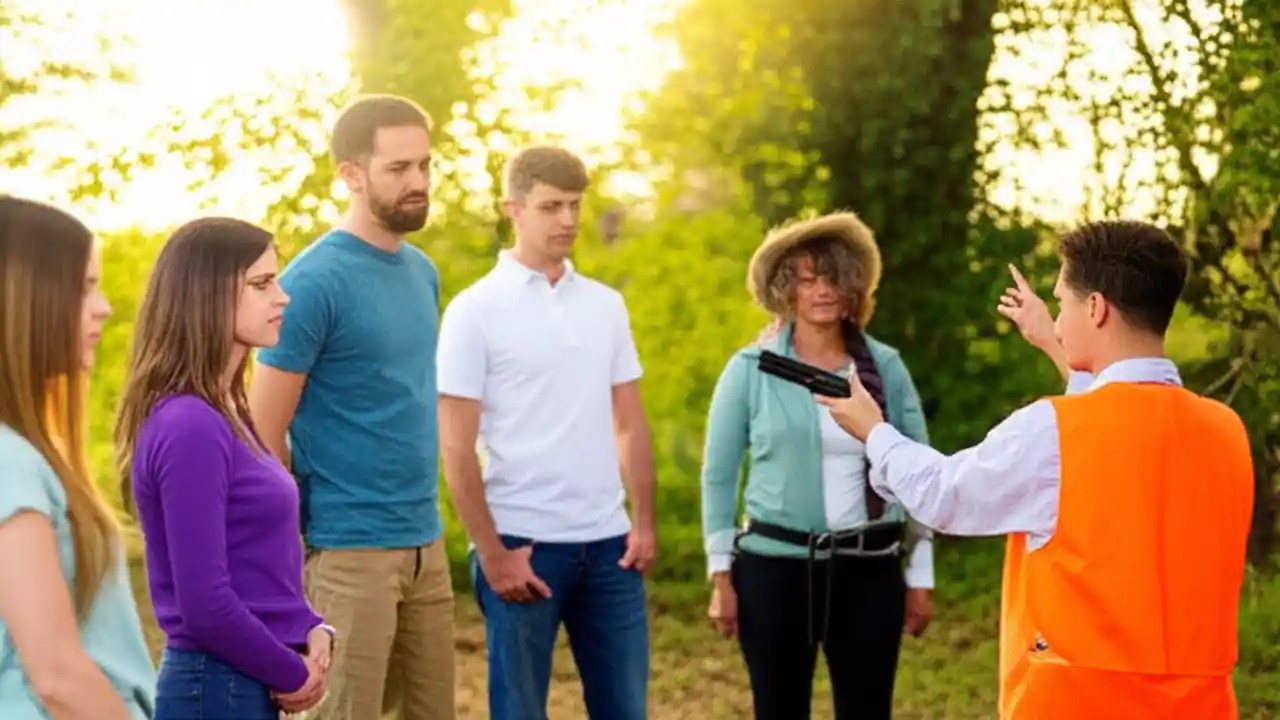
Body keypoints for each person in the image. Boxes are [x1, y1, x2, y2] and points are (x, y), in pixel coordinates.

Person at [817, 220, 1253, 719]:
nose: (1059, 320)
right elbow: (1124, 421)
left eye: (1063, 304)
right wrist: (1054, 342)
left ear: (1096, 308)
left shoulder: (1052, 430)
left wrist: (873, 430)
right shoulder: (1225, 429)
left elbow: (943, 494)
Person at [247, 94, 455, 720]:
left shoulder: (422, 272)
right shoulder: (313, 282)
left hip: (427, 545)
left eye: (424, 165)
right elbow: (263, 430)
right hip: (347, 552)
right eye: (398, 168)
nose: (417, 182)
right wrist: (292, 551)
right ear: (351, 174)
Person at [437, 145, 656, 720]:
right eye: (551, 206)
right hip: (522, 547)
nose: (567, 220)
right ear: (514, 209)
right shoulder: (473, 311)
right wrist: (492, 554)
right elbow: (456, 446)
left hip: (611, 551)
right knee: (519, 713)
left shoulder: (606, 306)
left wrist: (645, 524)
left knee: (625, 711)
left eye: (575, 206)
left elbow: (629, 422)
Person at [699, 211, 935, 720]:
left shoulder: (884, 368)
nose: (821, 291)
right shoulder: (750, 371)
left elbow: (919, 471)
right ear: (787, 291)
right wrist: (721, 577)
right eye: (806, 280)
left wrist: (920, 575)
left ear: (852, 286)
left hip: (869, 570)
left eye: (831, 278)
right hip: (774, 570)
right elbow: (718, 476)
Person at [114, 217, 333, 719]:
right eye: (261, 284)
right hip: (215, 685)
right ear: (204, 295)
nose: (284, 297)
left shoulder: (226, 410)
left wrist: (310, 627)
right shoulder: (190, 423)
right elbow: (204, 602)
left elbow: (254, 564)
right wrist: (292, 672)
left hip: (242, 678)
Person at [0, 196, 157, 719]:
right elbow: (58, 678)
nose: (105, 306)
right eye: (85, 287)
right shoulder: (9, 461)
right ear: (25, 300)